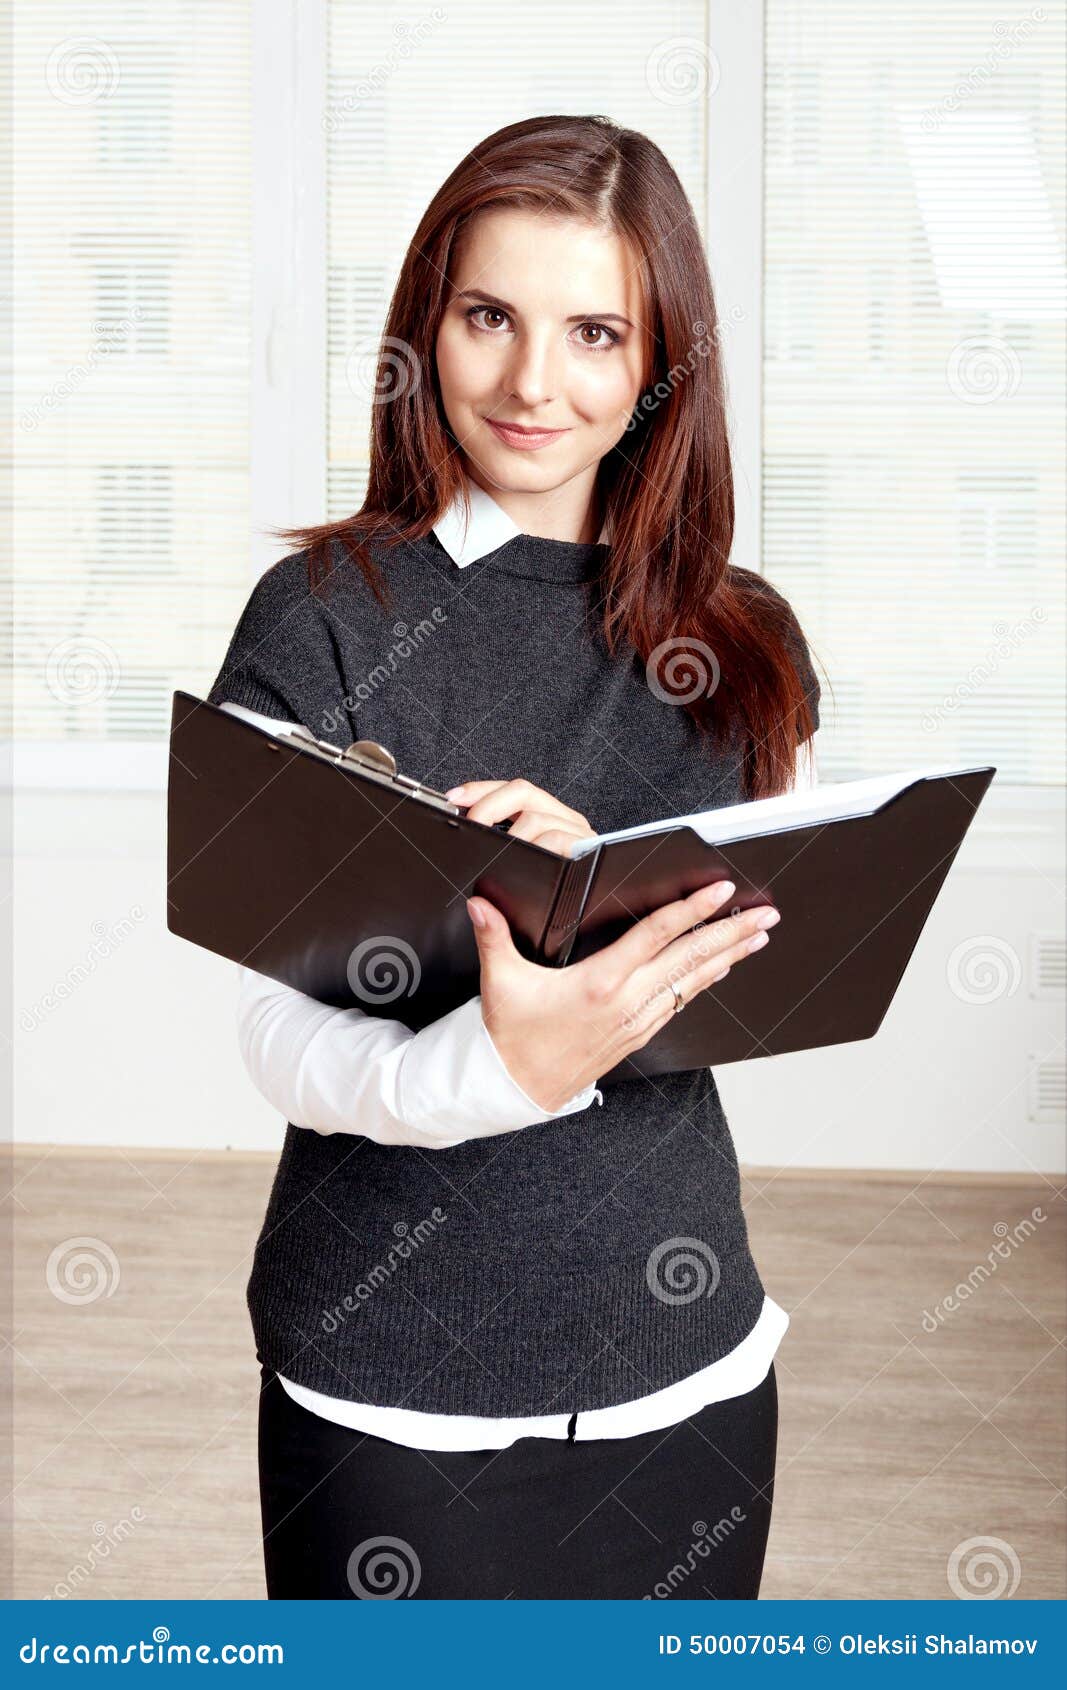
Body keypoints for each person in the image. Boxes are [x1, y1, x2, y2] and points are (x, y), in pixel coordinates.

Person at [206, 113, 821, 1601]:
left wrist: (588, 882)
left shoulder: (740, 642)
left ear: (663, 362)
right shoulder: (321, 618)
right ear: (428, 328)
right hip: (386, 1390)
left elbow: (755, 974)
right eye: (490, 317)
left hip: (689, 1371)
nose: (535, 383)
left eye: (597, 331)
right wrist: (497, 1063)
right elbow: (277, 1032)